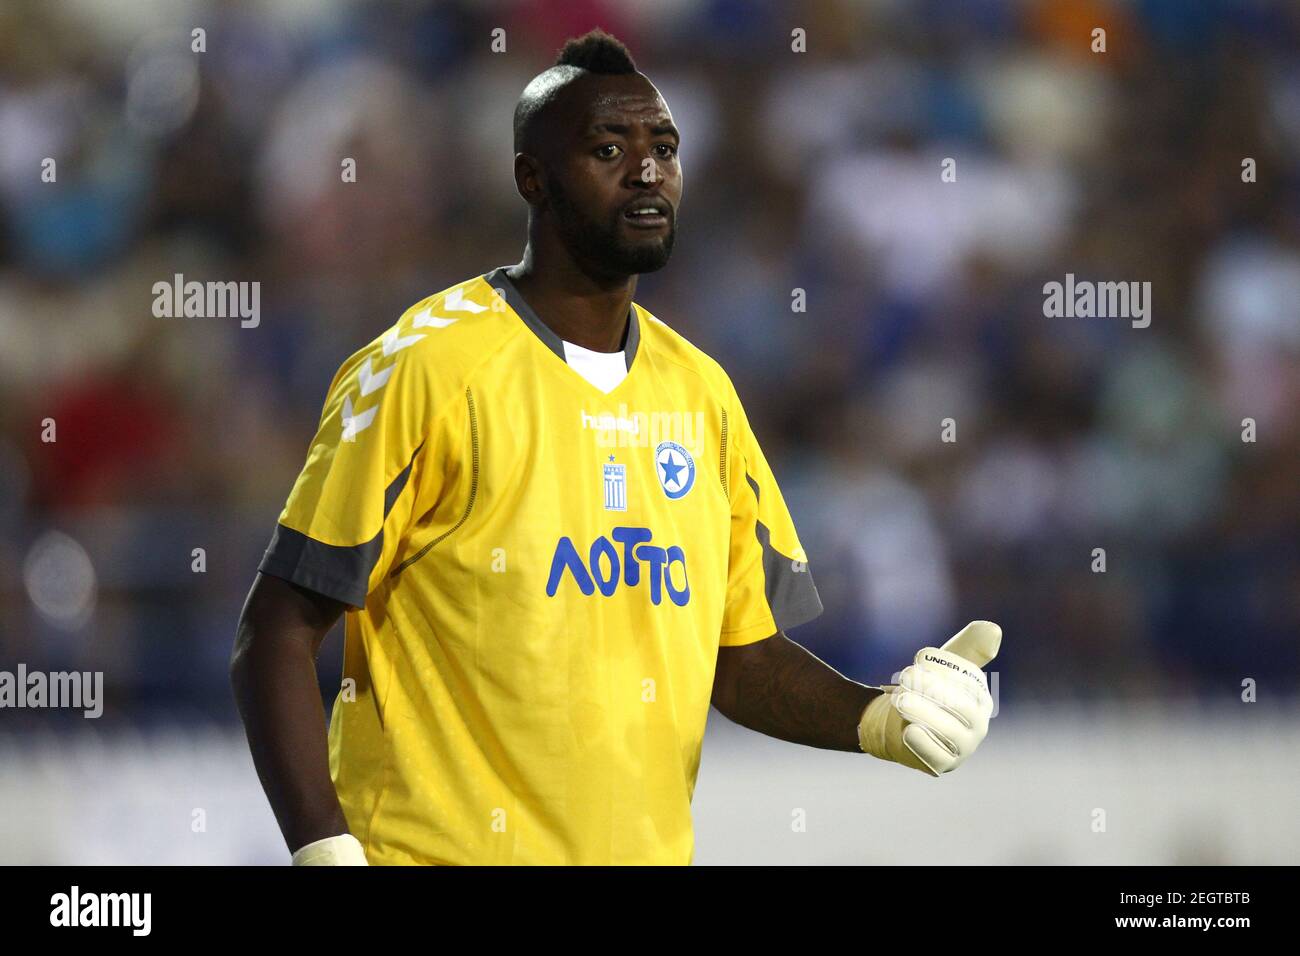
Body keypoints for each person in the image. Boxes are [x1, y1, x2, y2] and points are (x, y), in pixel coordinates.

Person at [231, 28, 1001, 866]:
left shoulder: (702, 394)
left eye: (664, 148)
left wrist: (877, 717)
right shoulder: (426, 367)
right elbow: (276, 628)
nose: (647, 171)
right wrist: (323, 847)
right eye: (609, 148)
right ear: (534, 178)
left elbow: (739, 659)